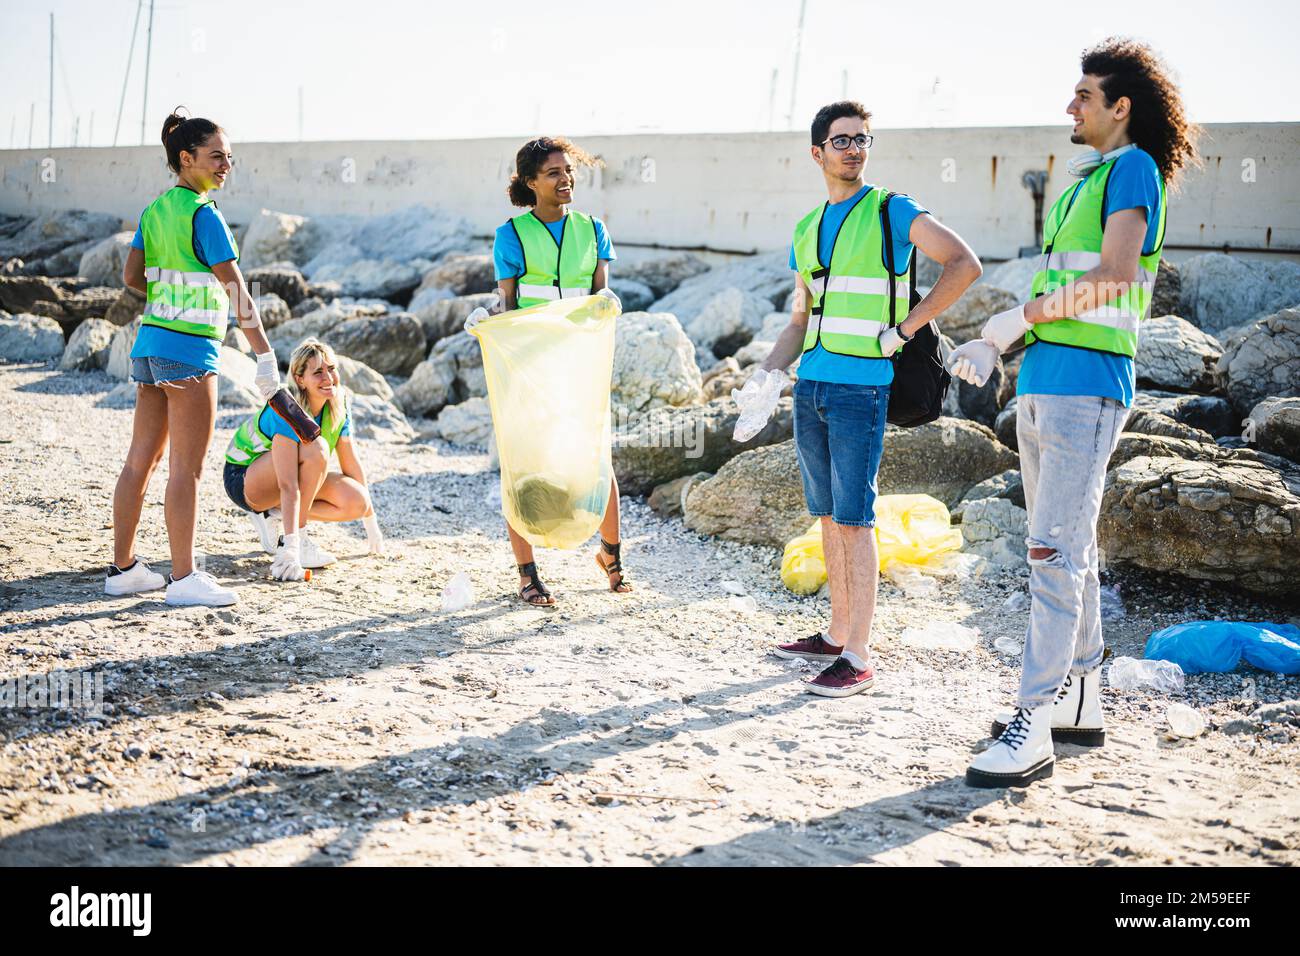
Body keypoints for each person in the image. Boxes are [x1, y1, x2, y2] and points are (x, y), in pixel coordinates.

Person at [951, 39, 1197, 788]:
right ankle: (1079, 696)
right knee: (1064, 547)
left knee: (1052, 557)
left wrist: (1009, 323)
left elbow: (1117, 274)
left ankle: (1031, 724)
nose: (1070, 106)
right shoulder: (1089, 179)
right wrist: (1011, 345)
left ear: (1120, 108)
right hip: (1049, 381)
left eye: (1083, 95)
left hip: (1087, 384)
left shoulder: (1133, 168)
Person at [761, 101, 982, 697]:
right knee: (829, 515)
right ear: (818, 152)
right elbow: (801, 316)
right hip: (812, 385)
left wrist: (906, 329)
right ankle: (835, 633)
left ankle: (858, 654)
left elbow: (965, 265)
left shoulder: (891, 210)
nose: (854, 148)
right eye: (841, 141)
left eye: (862, 139)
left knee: (856, 518)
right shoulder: (807, 228)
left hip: (865, 387)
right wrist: (766, 376)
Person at [107, 108, 279, 607]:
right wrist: (264, 356)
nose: (227, 165)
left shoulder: (156, 209)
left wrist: (169, 293)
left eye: (230, 157)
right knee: (186, 468)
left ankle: (123, 569)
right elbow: (238, 291)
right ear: (187, 159)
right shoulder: (205, 215)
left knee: (142, 459)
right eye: (217, 156)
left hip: (150, 346)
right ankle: (183, 578)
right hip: (188, 350)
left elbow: (131, 277)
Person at [484, 135, 630, 607]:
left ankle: (610, 554)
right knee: (524, 464)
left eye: (568, 171)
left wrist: (608, 301)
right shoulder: (511, 234)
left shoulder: (593, 230)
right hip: (529, 365)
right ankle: (527, 573)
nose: (565, 179)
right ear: (531, 182)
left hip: (581, 363)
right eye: (553, 173)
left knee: (594, 459)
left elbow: (599, 293)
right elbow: (507, 304)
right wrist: (487, 319)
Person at [223, 339, 383, 580]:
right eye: (318, 372)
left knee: (357, 501)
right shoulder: (287, 408)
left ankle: (274, 513)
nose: (328, 378)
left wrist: (372, 526)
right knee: (316, 448)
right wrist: (293, 549)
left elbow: (351, 462)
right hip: (244, 478)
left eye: (331, 368)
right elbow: (288, 483)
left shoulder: (339, 404)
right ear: (300, 379)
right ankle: (296, 535)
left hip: (286, 476)